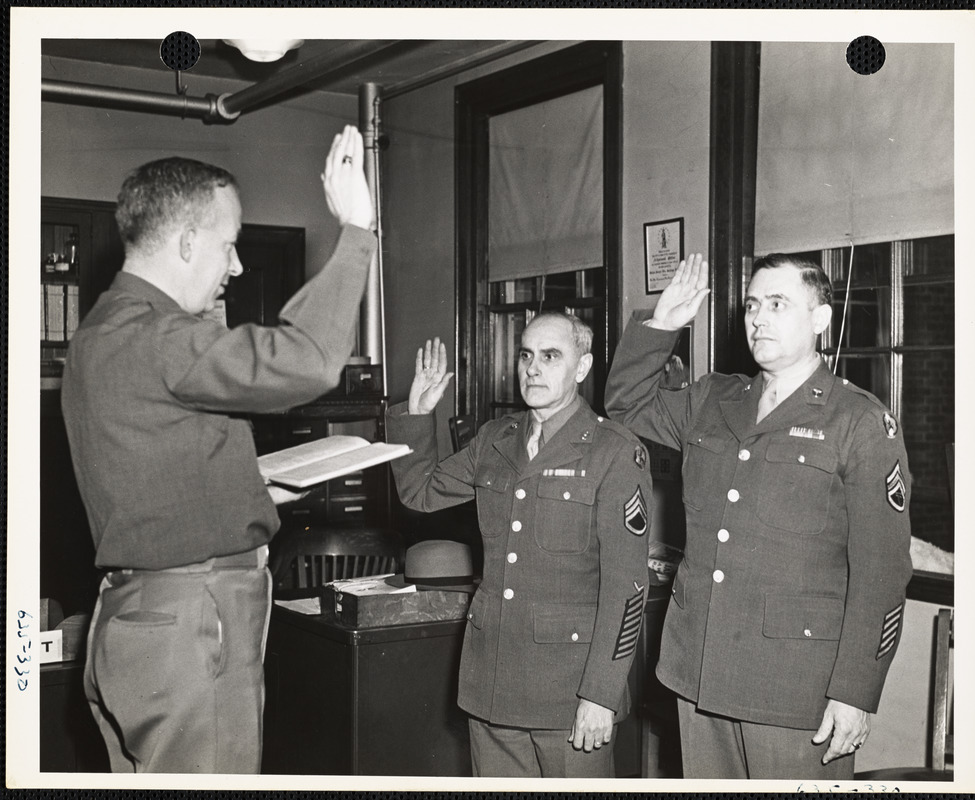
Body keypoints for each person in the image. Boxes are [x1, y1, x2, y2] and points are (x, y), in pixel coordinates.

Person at [61, 125, 376, 773]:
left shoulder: (101, 331)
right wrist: (358, 232)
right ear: (184, 242)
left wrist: (253, 482)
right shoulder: (159, 338)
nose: (237, 266)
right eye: (229, 246)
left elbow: (164, 459)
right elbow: (309, 360)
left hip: (133, 621)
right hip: (192, 623)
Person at [605, 253, 913, 780]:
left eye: (777, 304)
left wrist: (856, 692)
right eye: (751, 305)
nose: (758, 318)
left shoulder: (859, 421)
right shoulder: (712, 397)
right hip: (700, 666)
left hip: (796, 686)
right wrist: (663, 326)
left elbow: (882, 575)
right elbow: (625, 405)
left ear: (820, 319)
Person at [386, 313, 653, 778]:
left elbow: (627, 589)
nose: (533, 368)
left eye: (551, 356)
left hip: (569, 691)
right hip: (492, 681)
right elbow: (420, 492)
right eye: (526, 355)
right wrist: (416, 414)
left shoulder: (613, 450)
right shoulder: (495, 439)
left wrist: (601, 693)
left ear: (583, 367)